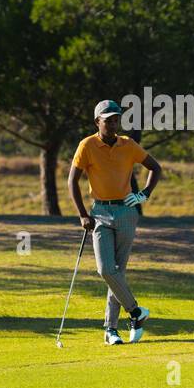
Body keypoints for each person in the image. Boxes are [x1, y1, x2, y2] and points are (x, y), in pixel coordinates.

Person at [67, 99, 162, 345]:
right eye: (107, 119)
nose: (112, 123)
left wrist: (143, 194)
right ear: (97, 121)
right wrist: (82, 214)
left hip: (127, 213)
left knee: (117, 273)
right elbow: (72, 181)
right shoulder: (87, 145)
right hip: (99, 212)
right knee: (106, 270)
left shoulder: (128, 145)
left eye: (116, 119)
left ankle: (111, 330)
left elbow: (155, 167)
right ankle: (136, 312)